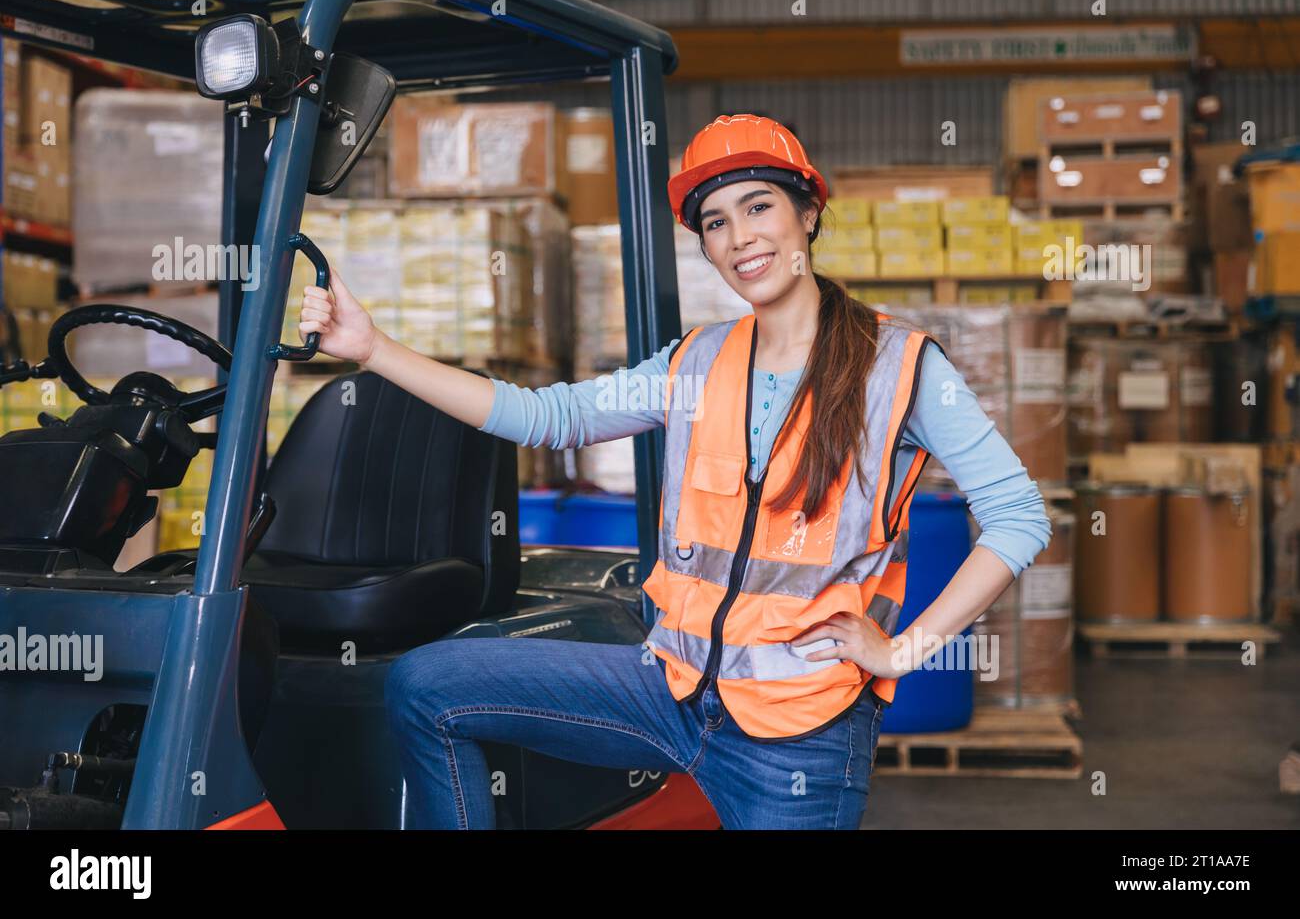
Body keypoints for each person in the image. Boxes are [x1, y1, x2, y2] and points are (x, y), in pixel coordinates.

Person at [296, 113, 1052, 829]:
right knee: (424, 687)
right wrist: (373, 350)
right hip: (669, 689)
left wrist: (901, 651)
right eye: (716, 222)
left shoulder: (903, 366)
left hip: (799, 731)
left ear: (808, 213)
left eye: (758, 207)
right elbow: (543, 415)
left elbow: (1020, 515)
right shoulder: (698, 361)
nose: (739, 238)